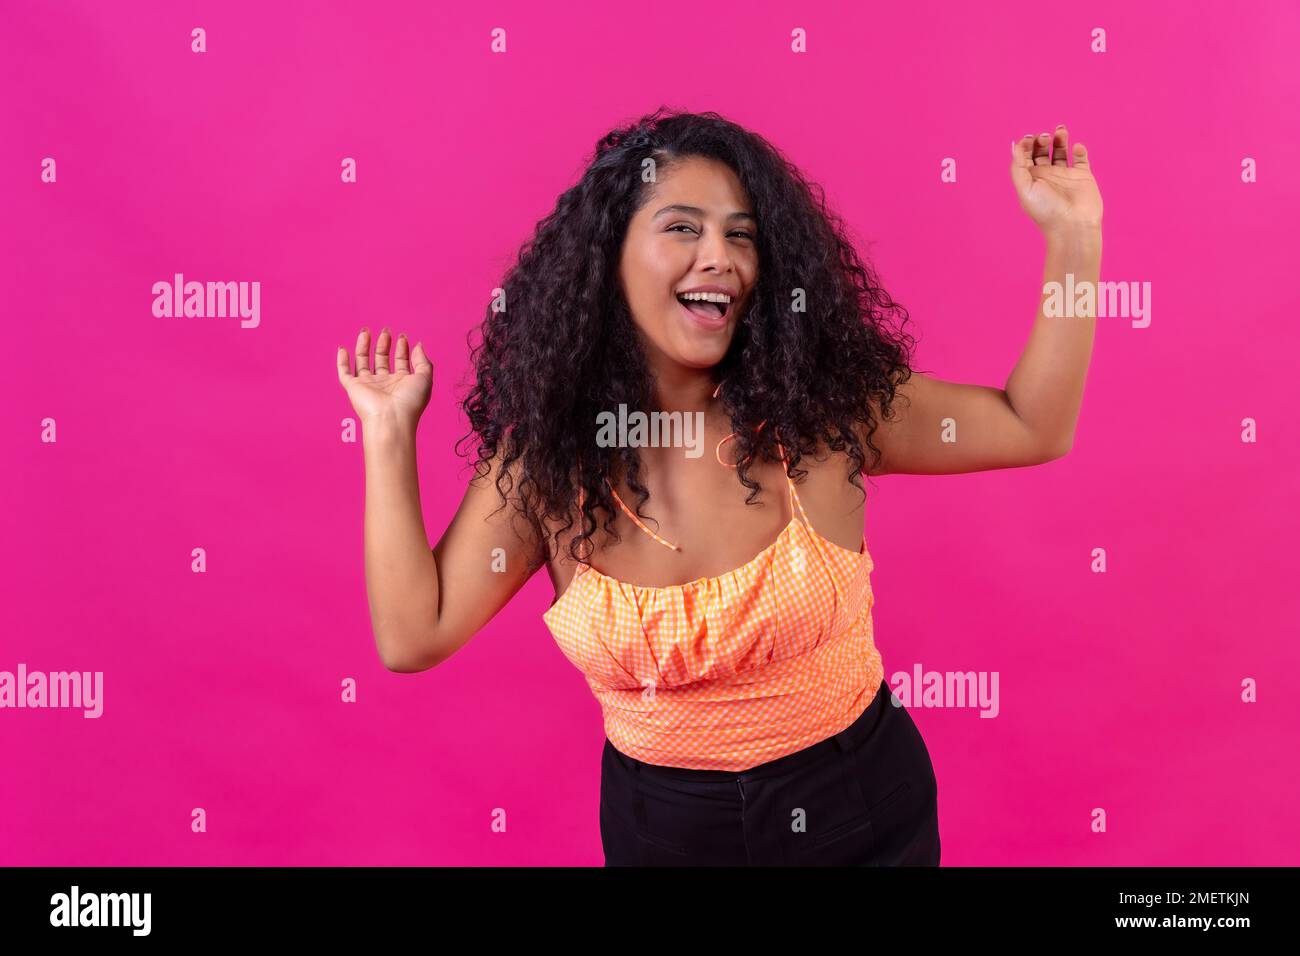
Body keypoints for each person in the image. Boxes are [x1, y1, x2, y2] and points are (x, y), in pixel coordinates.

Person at [335, 108, 1102, 866]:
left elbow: (1030, 425)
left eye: (741, 234)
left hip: (859, 809)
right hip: (661, 831)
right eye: (681, 228)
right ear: (610, 257)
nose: (720, 257)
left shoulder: (823, 412)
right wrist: (387, 435)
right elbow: (413, 634)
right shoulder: (552, 463)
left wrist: (1074, 236)